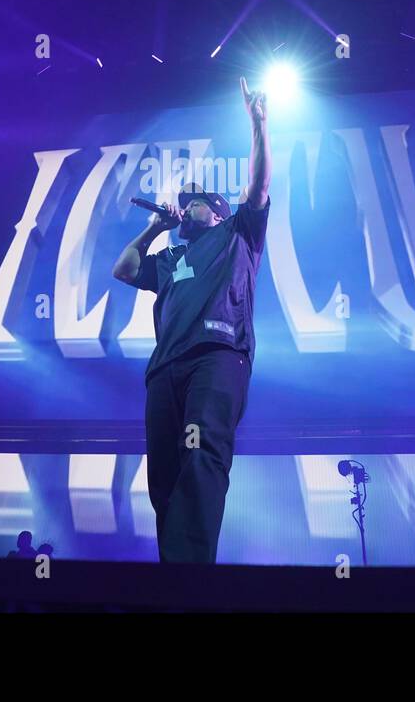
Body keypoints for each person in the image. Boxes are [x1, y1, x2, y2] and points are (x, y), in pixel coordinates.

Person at [111, 77, 271, 563]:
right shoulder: (170, 256)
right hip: (166, 369)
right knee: (165, 474)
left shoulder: (237, 235)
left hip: (217, 357)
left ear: (218, 212)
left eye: (194, 198)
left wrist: (259, 126)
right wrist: (155, 226)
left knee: (201, 458)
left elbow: (260, 185)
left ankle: (192, 580)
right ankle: (173, 573)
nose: (186, 203)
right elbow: (124, 269)